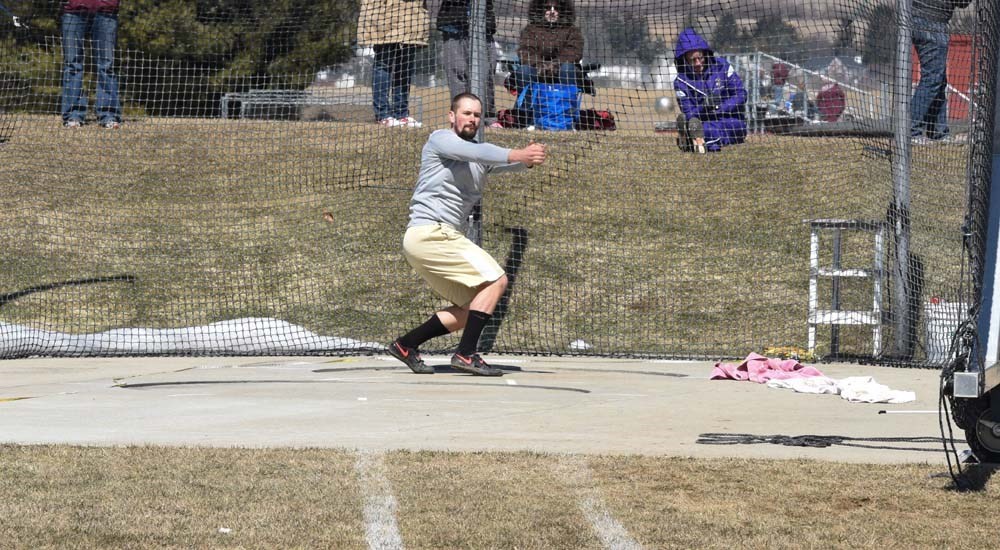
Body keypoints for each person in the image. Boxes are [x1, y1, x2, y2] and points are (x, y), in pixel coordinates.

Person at [388, 93, 547, 376]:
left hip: (432, 239)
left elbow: (496, 160)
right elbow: (478, 152)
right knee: (497, 280)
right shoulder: (440, 140)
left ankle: (405, 344)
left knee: (472, 307)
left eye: (476, 115)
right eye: (466, 113)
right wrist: (518, 154)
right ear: (452, 116)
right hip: (431, 232)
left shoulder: (478, 156)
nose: (472, 119)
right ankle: (466, 354)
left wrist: (529, 158)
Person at [672, 28, 746, 154]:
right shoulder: (680, 82)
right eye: (692, 60)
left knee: (738, 128)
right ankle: (696, 138)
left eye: (700, 58)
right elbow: (689, 113)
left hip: (729, 118)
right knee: (706, 128)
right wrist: (705, 107)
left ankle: (692, 139)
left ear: (705, 54)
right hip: (703, 120)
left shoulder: (723, 66)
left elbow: (741, 94)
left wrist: (720, 108)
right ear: (684, 60)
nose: (697, 63)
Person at [357, 0, 430, 128]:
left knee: (404, 66)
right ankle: (383, 115)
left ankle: (401, 114)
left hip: (411, 16)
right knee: (383, 64)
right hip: (384, 15)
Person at [911, 0, 971, 142]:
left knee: (938, 80)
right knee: (932, 79)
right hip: (931, 23)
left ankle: (938, 131)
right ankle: (910, 130)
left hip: (921, 20)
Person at [60, 0, 122, 129]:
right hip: (74, 9)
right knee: (72, 65)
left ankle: (108, 115)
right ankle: (73, 115)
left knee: (107, 65)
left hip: (106, 9)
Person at [436, 0, 497, 119]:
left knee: (486, 75)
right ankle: (461, 117)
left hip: (484, 28)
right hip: (454, 25)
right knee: (457, 74)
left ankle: (487, 118)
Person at [508, 0, 584, 93]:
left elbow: (573, 52)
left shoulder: (572, 31)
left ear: (563, 10)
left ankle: (567, 100)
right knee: (524, 71)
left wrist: (555, 64)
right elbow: (526, 51)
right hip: (537, 70)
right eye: (548, 8)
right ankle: (526, 101)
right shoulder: (530, 30)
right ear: (541, 10)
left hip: (561, 70)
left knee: (567, 69)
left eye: (556, 8)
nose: (552, 12)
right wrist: (540, 65)